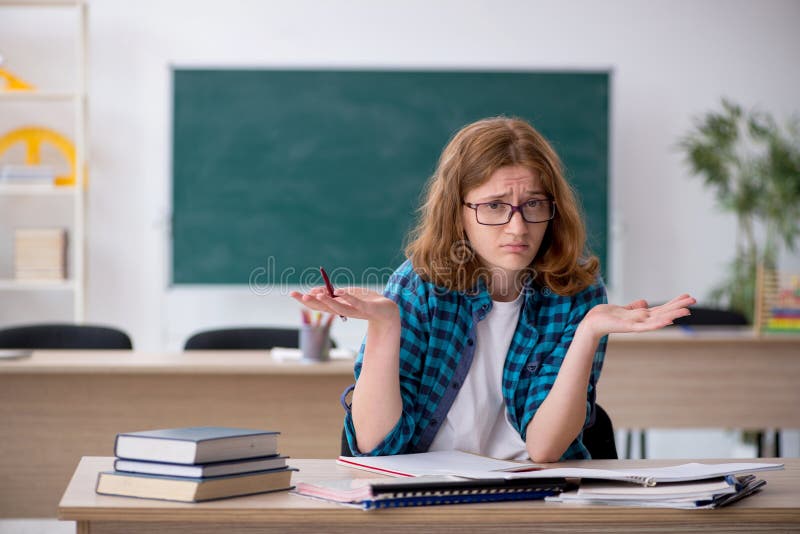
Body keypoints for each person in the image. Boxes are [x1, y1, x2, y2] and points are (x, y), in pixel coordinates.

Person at [290, 117, 695, 462]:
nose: (518, 227)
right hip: (426, 499)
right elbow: (377, 447)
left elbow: (545, 450)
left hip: (535, 498)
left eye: (534, 204)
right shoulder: (418, 284)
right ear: (459, 210)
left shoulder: (578, 294)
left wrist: (588, 333)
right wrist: (384, 326)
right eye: (495, 206)